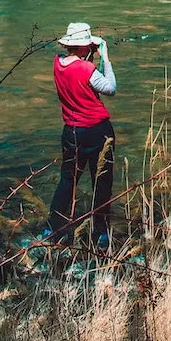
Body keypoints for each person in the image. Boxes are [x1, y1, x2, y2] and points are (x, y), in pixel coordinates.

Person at [47, 21, 116, 249]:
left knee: (68, 181)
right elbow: (110, 88)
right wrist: (105, 58)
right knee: (102, 182)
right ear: (86, 46)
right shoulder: (87, 70)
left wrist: (88, 56)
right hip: (97, 131)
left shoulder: (58, 64)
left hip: (71, 132)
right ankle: (101, 233)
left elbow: (77, 76)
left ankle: (52, 227)